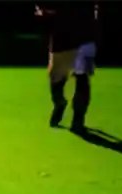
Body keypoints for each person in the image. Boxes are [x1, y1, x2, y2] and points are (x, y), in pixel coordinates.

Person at [36, 2, 100, 132]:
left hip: (75, 37)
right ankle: (65, 108)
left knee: (78, 77)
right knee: (65, 78)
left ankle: (75, 116)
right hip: (72, 37)